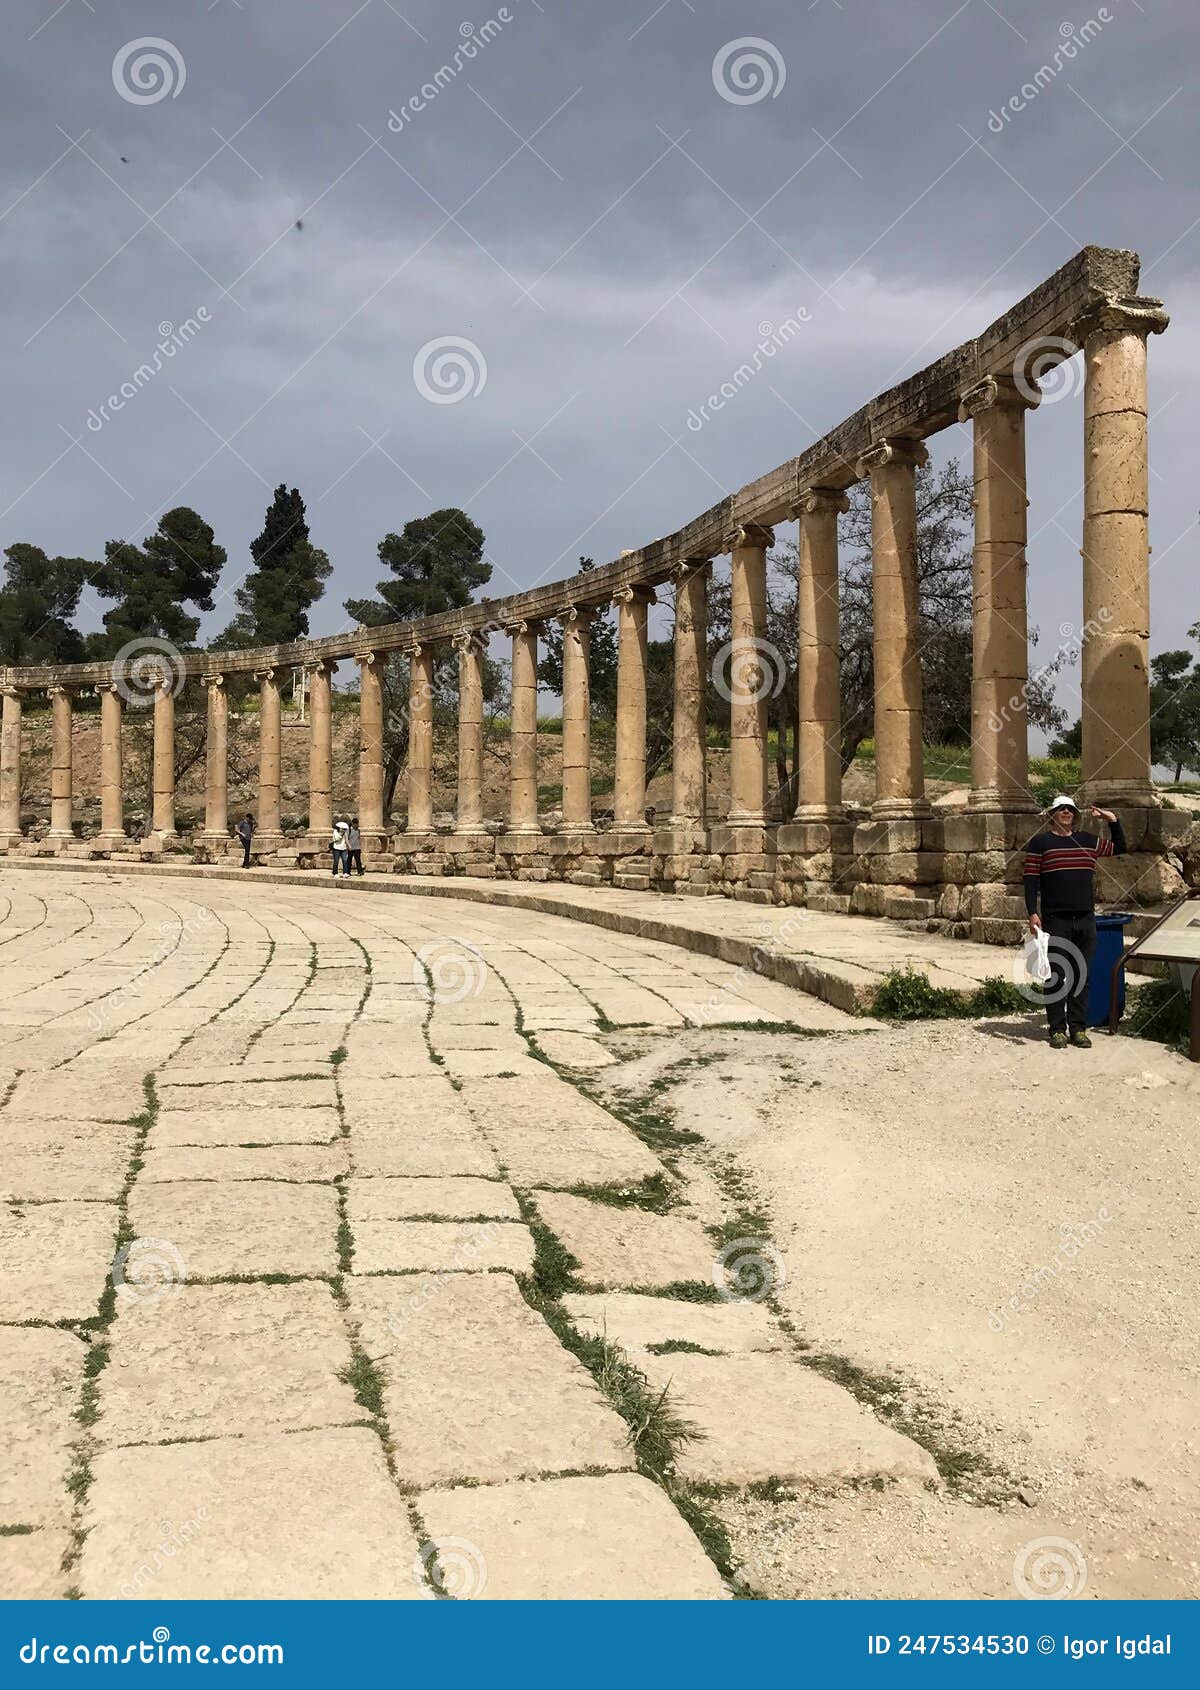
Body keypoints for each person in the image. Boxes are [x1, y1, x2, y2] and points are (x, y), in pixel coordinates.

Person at [1024, 795, 1126, 1050]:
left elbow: (1120, 847)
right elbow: (1030, 881)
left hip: (1085, 918)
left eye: (1070, 809)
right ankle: (1057, 1029)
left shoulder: (1087, 841)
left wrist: (1112, 820)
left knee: (1082, 975)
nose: (1066, 812)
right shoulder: (1040, 843)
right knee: (1056, 976)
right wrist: (1031, 913)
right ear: (1052, 814)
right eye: (1061, 809)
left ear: (1076, 815)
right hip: (1055, 918)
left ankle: (1078, 1028)